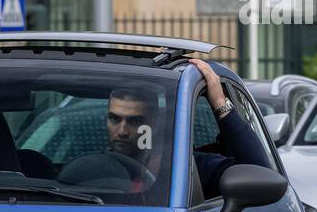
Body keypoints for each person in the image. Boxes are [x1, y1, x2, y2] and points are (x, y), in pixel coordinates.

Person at [88, 60, 272, 198]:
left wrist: (220, 104)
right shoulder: (91, 170)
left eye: (135, 121)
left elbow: (262, 175)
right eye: (114, 118)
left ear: (156, 122)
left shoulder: (191, 167)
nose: (121, 130)